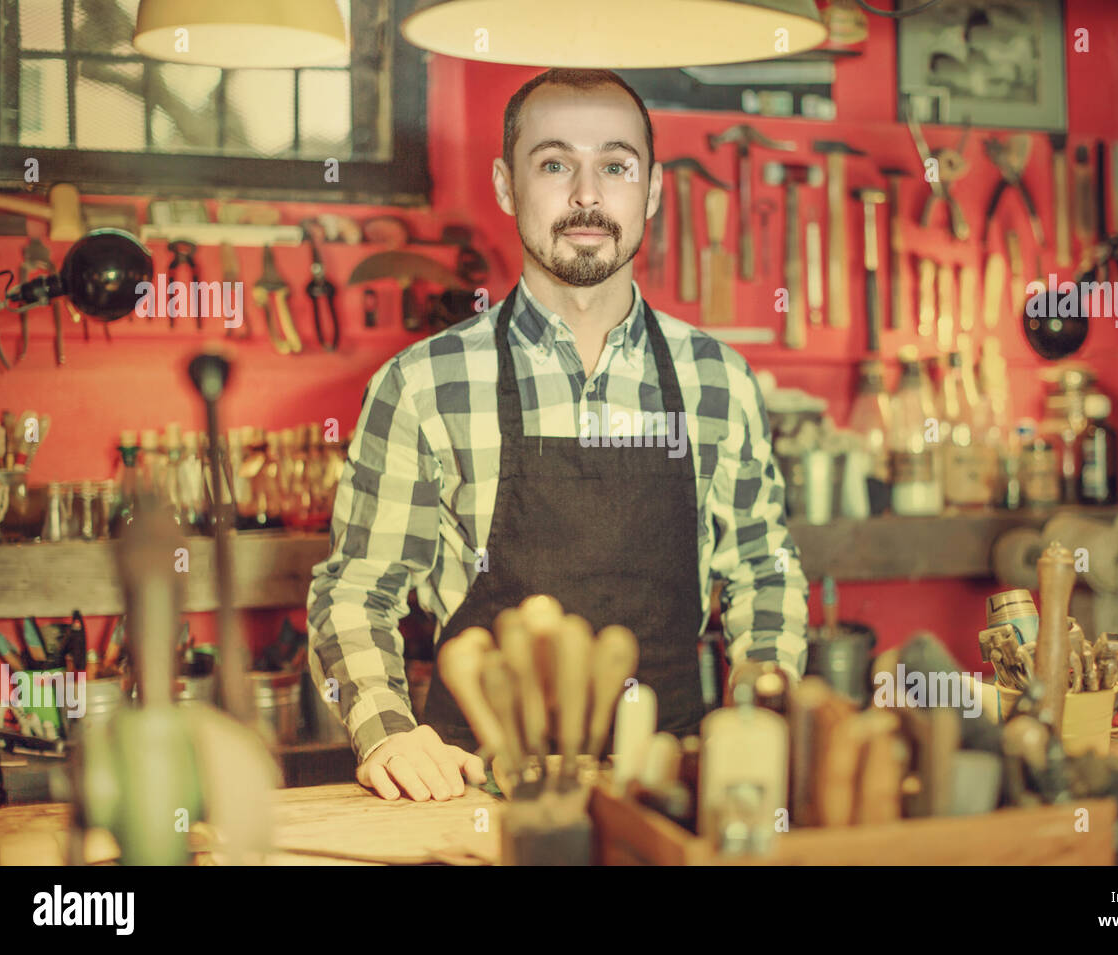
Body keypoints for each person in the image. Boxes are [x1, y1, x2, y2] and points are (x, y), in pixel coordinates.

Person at [308, 68, 809, 802]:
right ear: (508, 187)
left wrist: (758, 726)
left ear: (654, 188)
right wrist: (386, 729)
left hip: (671, 794)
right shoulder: (420, 384)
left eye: (615, 165)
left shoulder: (719, 379)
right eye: (554, 163)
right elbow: (355, 591)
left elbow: (765, 572)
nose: (587, 195)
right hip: (477, 796)